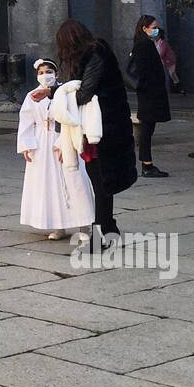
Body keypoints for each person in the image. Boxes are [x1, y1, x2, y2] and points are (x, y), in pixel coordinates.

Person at [37, 20, 136, 245]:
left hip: (103, 128)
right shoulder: (91, 55)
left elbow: (85, 92)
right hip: (98, 126)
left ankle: (102, 232)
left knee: (101, 181)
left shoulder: (96, 54)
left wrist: (56, 94)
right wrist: (53, 92)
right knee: (101, 180)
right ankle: (108, 227)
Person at [18, 58, 94, 241]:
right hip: (41, 143)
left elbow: (70, 118)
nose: (46, 76)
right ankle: (58, 225)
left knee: (74, 181)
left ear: (57, 74)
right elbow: (26, 120)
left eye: (49, 72)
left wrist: (63, 143)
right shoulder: (32, 96)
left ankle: (85, 224)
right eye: (41, 73)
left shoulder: (64, 93)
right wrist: (27, 145)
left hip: (63, 138)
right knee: (48, 185)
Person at [128, 15, 171, 177]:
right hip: (149, 93)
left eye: (156, 27)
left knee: (148, 128)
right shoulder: (143, 45)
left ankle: (147, 163)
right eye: (153, 27)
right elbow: (142, 69)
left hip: (149, 92)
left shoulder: (145, 44)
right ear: (144, 29)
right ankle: (147, 164)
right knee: (147, 129)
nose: (156, 30)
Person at [156, 31, 184, 95]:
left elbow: (162, 53)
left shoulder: (163, 43)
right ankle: (178, 87)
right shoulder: (156, 43)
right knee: (171, 74)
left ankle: (179, 88)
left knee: (172, 74)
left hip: (169, 60)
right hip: (163, 61)